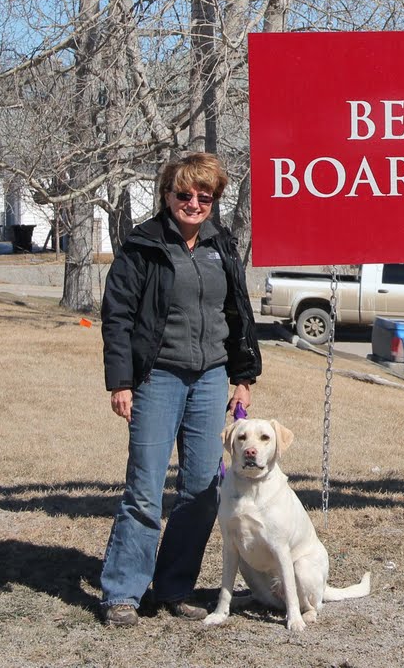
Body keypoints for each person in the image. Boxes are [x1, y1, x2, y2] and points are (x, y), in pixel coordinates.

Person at [97, 151, 262, 627]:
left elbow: (238, 313)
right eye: (184, 194)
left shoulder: (221, 245)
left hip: (210, 377)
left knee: (202, 489)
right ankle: (123, 593)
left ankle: (172, 587)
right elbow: (118, 317)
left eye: (203, 197)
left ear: (213, 202)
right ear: (168, 194)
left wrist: (243, 377)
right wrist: (122, 382)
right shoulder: (144, 244)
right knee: (145, 488)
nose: (193, 203)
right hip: (157, 377)